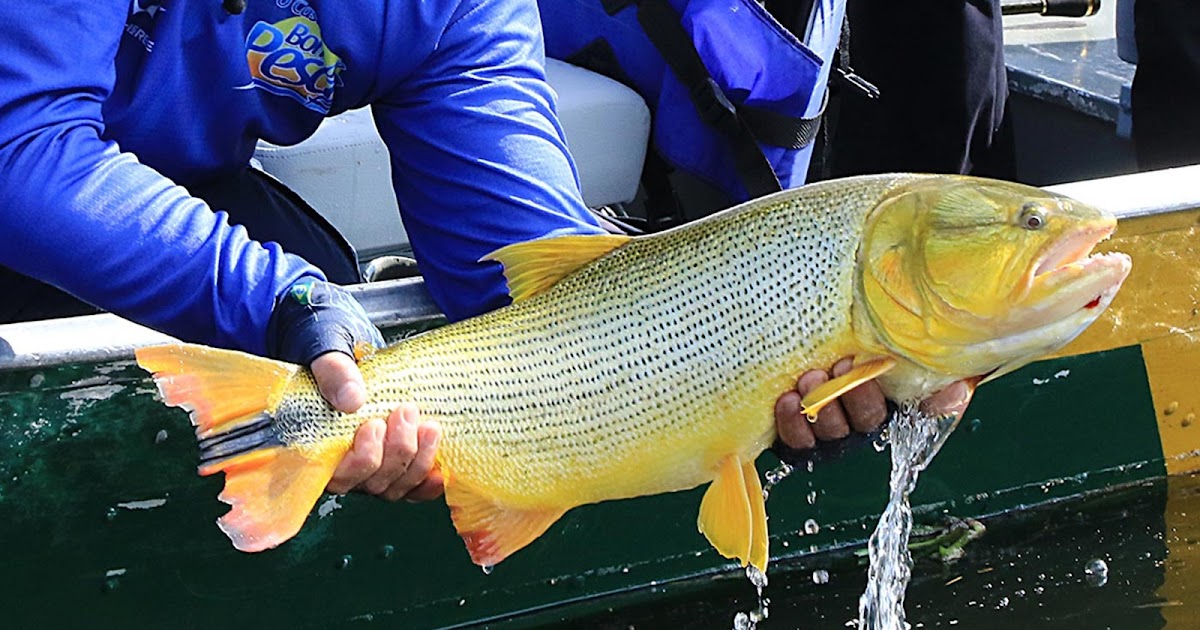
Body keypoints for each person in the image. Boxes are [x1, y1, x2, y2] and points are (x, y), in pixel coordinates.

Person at [0, 0, 969, 503]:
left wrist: (778, 370)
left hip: (153, 168)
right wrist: (280, 301)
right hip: (27, 158)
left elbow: (521, 272)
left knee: (334, 317)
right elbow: (20, 153)